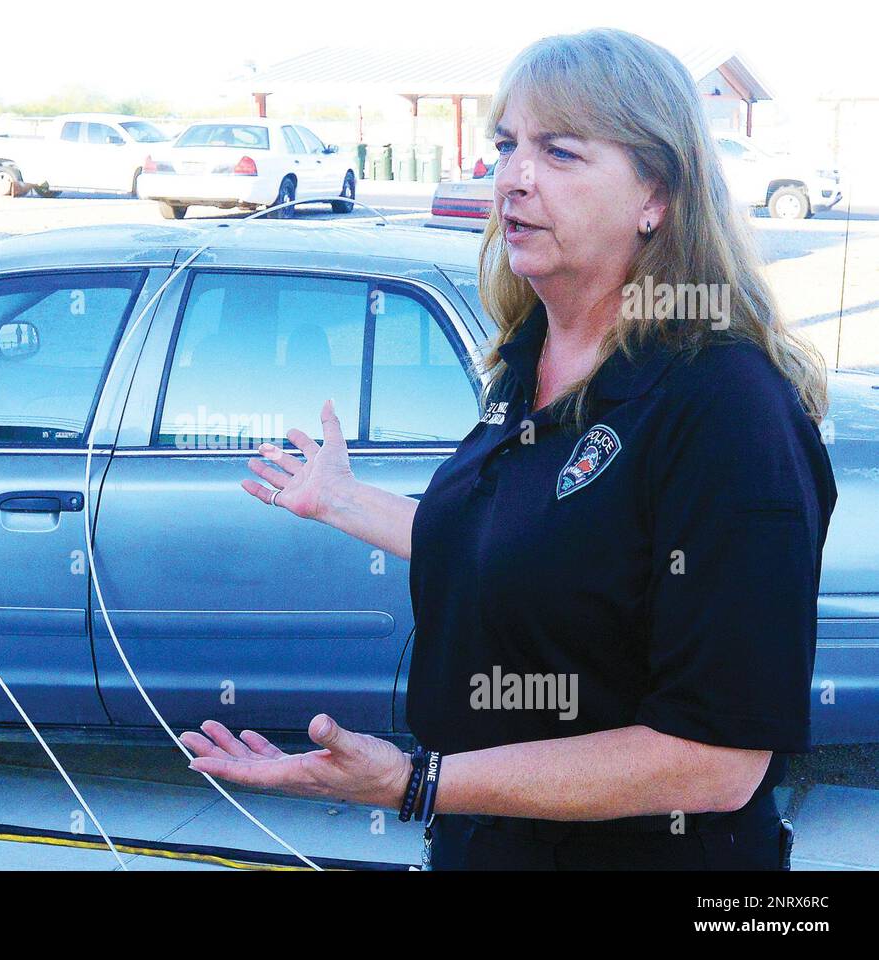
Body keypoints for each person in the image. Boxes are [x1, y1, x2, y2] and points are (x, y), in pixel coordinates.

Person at [178, 27, 837, 871]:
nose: (514, 177)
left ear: (658, 194)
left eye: (560, 151)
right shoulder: (526, 362)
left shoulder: (725, 406)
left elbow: (716, 761)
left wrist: (417, 782)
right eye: (506, 146)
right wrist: (344, 500)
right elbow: (540, 556)